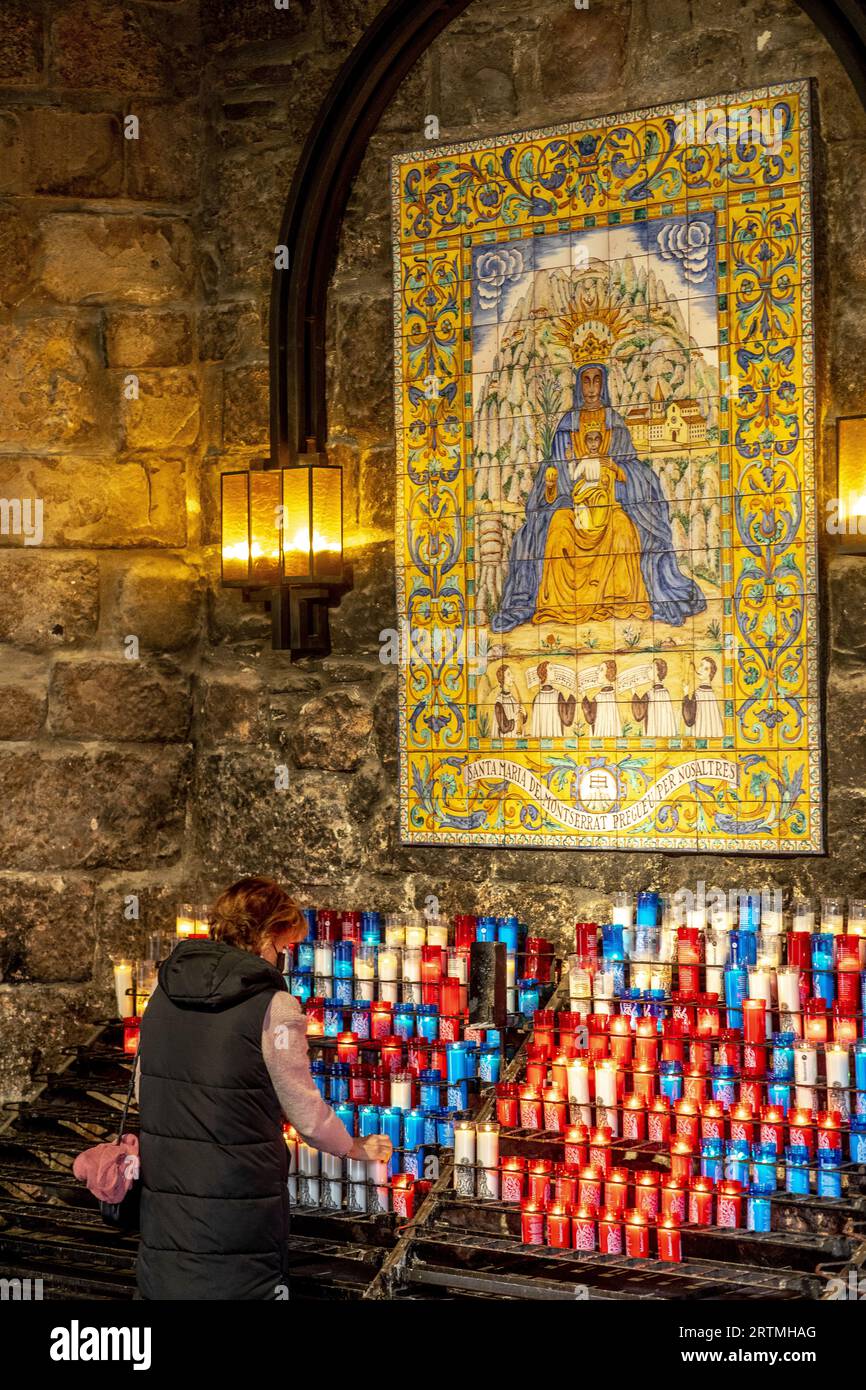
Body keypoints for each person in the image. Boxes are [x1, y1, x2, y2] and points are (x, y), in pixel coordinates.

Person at [135, 876, 392, 1300]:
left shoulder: (163, 992)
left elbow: (147, 1090)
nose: (283, 957)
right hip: (238, 1200)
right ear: (264, 935)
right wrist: (352, 1147)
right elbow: (304, 1111)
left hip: (166, 1194)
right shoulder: (272, 1005)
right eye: (283, 945)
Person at [491, 361, 706, 632]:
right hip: (574, 504)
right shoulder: (566, 427)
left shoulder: (614, 424)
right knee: (557, 528)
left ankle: (619, 601)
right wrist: (550, 485)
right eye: (586, 381)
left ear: (603, 385)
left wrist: (615, 468)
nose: (591, 387)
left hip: (609, 505)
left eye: (596, 381)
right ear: (579, 386)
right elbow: (556, 475)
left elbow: (637, 471)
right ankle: (561, 605)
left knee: (624, 529)